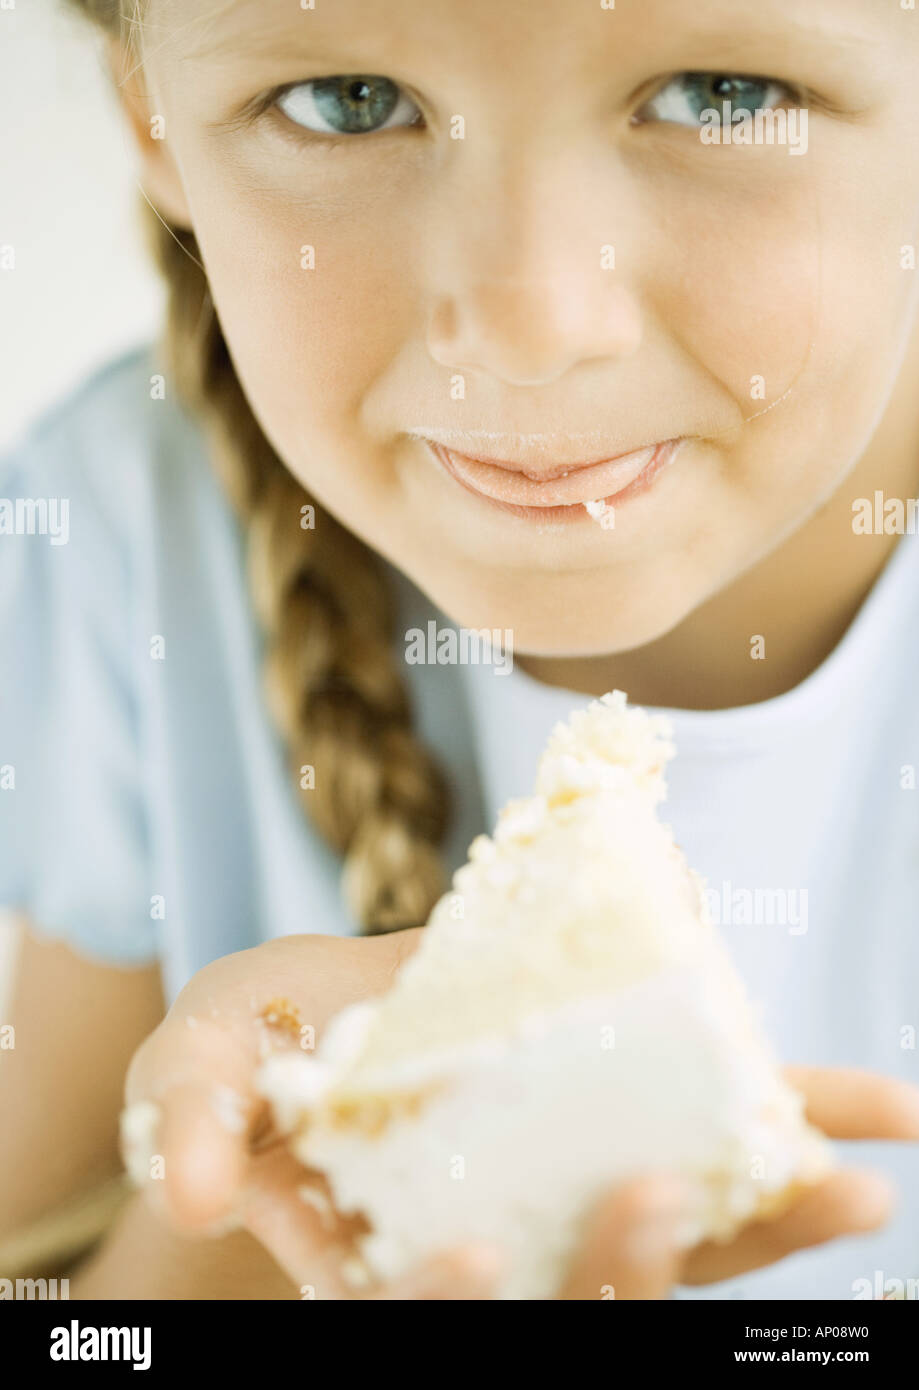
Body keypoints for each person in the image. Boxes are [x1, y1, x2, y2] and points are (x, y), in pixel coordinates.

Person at [1, 0, 918, 1299]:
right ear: (154, 122)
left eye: (719, 91)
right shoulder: (125, 536)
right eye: (348, 102)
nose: (530, 320)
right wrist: (286, 1202)